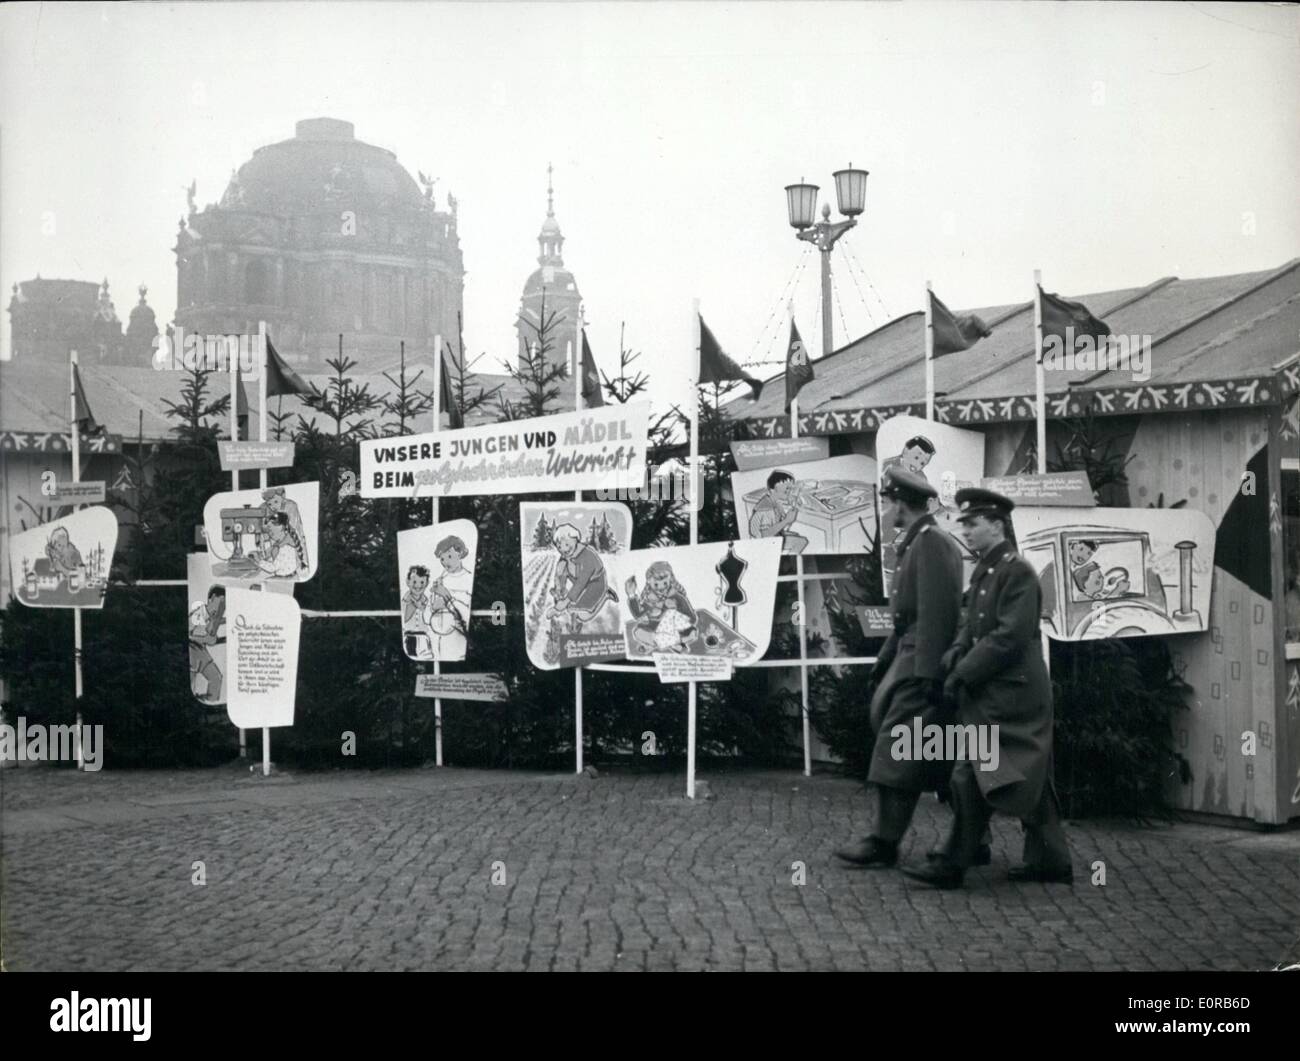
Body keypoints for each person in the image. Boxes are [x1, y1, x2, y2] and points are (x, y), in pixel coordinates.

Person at [904, 487, 1072, 889]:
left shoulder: (1017, 572)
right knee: (1022, 779)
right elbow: (973, 626)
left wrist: (962, 673)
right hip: (999, 692)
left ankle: (953, 862)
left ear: (996, 525)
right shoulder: (989, 569)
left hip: (1013, 696)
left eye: (973, 523)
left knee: (971, 774)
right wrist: (954, 655)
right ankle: (1051, 861)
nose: (968, 531)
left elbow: (1008, 637)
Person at [834, 467, 964, 869]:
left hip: (919, 666)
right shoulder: (919, 542)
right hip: (909, 660)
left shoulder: (930, 544)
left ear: (900, 504)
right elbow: (908, 616)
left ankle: (883, 842)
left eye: (887, 502)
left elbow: (938, 613)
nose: (884, 510)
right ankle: (970, 840)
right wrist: (887, 657)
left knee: (897, 753)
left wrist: (927, 674)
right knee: (917, 755)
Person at [549, 523, 618, 629]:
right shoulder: (565, 557)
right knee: (571, 608)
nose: (563, 549)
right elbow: (560, 576)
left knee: (582, 616)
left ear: (576, 540)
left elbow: (581, 582)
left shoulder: (587, 555)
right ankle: (565, 602)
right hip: (579, 583)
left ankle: (605, 595)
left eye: (566, 545)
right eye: (559, 546)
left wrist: (566, 601)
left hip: (595, 582)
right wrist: (559, 595)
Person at [625, 561, 697, 654]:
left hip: (676, 630)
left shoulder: (677, 597)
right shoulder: (649, 598)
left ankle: (653, 645)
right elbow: (638, 615)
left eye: (665, 583)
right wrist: (631, 594)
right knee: (637, 632)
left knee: (692, 634)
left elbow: (692, 618)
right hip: (655, 631)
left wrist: (676, 609)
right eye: (656, 584)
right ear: (649, 582)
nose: (661, 588)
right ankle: (675, 644)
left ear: (670, 579)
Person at [427, 535, 473, 659]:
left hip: (462, 639)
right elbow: (432, 612)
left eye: (449, 556)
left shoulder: (468, 578)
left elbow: (467, 612)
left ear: (460, 553)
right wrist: (434, 606)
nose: (445, 562)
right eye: (442, 559)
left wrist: (447, 597)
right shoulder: (442, 579)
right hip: (443, 639)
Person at [748, 470, 809, 554]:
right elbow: (765, 534)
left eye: (790, 489)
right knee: (801, 542)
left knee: (798, 537)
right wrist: (786, 521)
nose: (789, 491)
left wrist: (791, 510)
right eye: (787, 488)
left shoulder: (776, 503)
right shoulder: (766, 507)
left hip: (773, 538)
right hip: (763, 543)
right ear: (773, 488)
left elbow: (780, 523)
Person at [188, 585, 226, 702]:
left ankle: (210, 703)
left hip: (201, 651)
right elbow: (188, 634)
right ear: (213, 597)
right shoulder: (199, 613)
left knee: (216, 678)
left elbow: (212, 640)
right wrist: (205, 639)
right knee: (192, 684)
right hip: (192, 650)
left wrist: (223, 639)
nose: (222, 606)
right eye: (222, 600)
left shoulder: (214, 618)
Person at [262, 488, 309, 572]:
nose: (273, 507)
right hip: (281, 545)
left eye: (276, 502)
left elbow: (291, 532)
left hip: (292, 544)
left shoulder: (291, 506)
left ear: (283, 497)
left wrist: (276, 546)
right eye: (269, 504)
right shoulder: (268, 510)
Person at [250, 513, 303, 578]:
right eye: (269, 532)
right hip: (285, 576)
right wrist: (260, 556)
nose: (270, 535)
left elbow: (273, 568)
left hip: (287, 578)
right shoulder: (279, 543)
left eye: (271, 532)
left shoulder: (285, 547)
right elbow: (269, 555)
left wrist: (258, 561)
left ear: (282, 527)